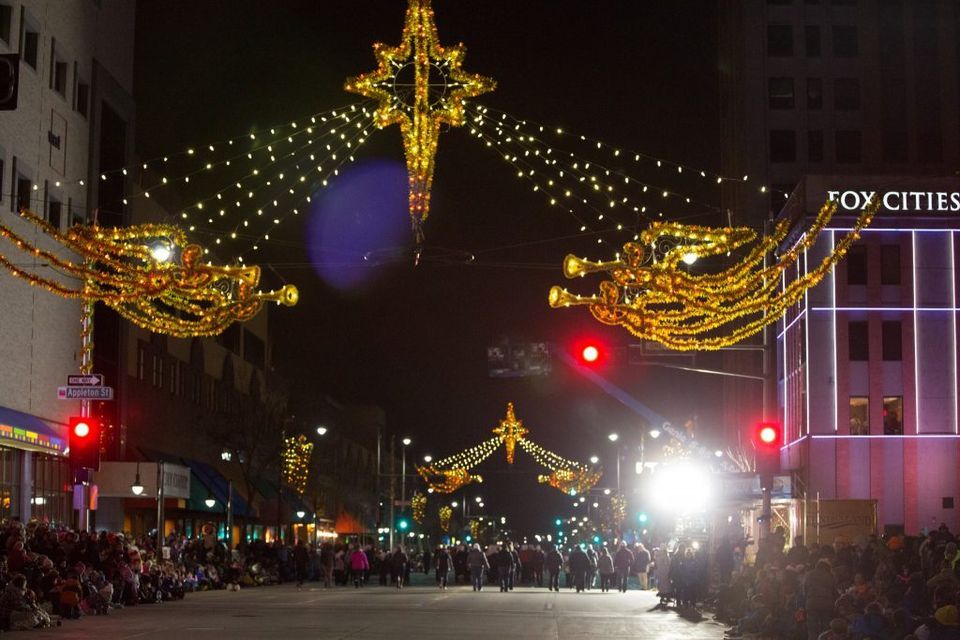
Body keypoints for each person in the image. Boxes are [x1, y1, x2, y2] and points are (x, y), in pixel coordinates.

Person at [804, 558, 837, 640]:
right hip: (827, 604)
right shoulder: (830, 576)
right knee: (825, 627)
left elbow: (805, 589)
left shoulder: (809, 574)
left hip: (811, 603)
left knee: (812, 628)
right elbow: (834, 590)